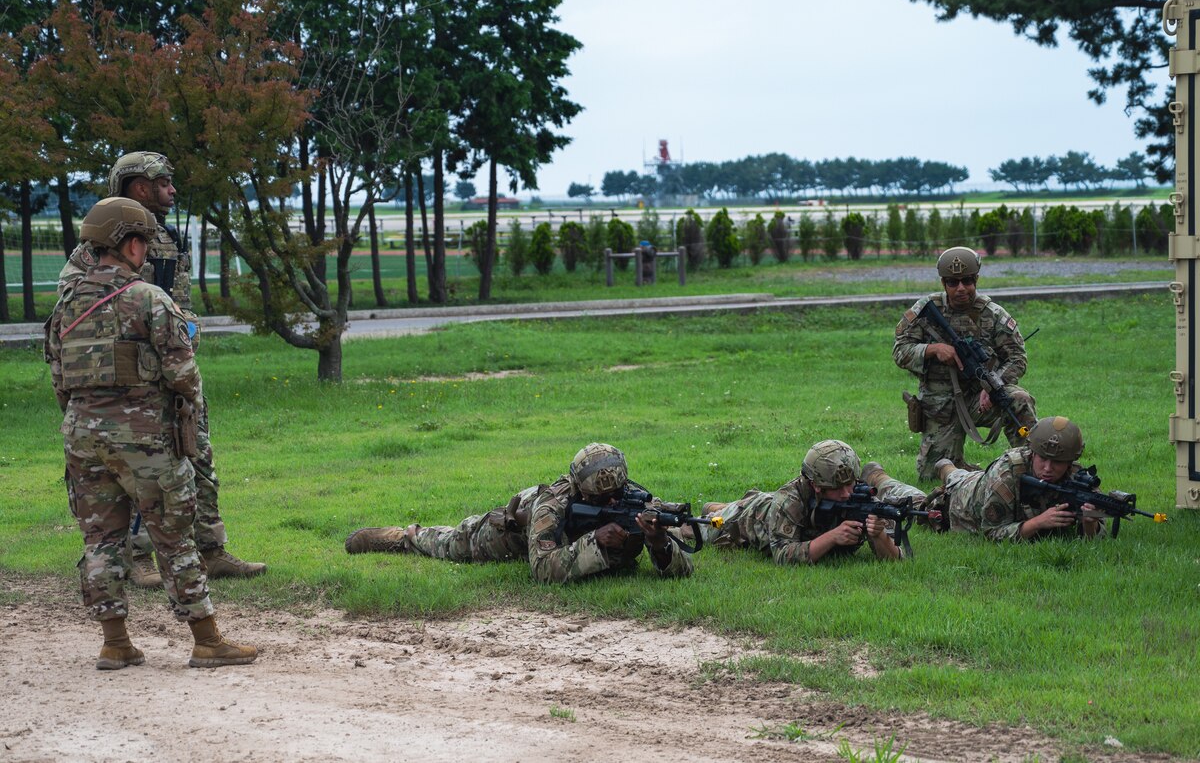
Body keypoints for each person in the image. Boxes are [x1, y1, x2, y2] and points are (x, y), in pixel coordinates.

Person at [44, 197, 256, 670]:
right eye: (142, 240)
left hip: (82, 439)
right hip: (146, 441)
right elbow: (184, 374)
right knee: (175, 540)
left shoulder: (66, 306)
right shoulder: (148, 298)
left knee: (100, 542)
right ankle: (206, 640)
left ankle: (115, 642)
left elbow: (60, 380)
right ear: (129, 243)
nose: (145, 249)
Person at [59, 152, 264, 585]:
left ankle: (212, 549)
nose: (173, 190)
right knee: (137, 469)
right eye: (165, 182)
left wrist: (189, 331)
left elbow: (180, 305)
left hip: (172, 370)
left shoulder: (167, 240)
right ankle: (135, 558)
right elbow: (73, 308)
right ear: (139, 188)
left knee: (200, 457)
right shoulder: (95, 247)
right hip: (127, 386)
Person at [344, 443, 693, 583]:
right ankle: (405, 537)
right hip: (509, 531)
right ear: (583, 491)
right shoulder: (552, 504)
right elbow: (541, 570)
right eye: (604, 499)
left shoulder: (634, 499)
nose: (615, 503)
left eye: (618, 494)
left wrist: (659, 540)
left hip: (558, 533)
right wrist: (595, 543)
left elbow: (682, 570)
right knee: (456, 543)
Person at [893, 246, 1037, 480]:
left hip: (979, 401)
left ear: (976, 279)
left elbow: (1017, 357)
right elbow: (900, 350)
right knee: (932, 477)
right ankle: (977, 475)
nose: (961, 288)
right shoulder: (926, 311)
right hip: (940, 408)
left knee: (1019, 400)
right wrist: (932, 349)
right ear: (943, 283)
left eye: (967, 281)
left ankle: (1030, 467)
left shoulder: (993, 315)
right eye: (953, 282)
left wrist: (992, 386)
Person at [699, 440, 924, 563]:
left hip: (774, 510)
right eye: (838, 488)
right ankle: (716, 510)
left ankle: (720, 505)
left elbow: (896, 560)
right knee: (705, 526)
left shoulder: (865, 501)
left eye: (851, 484)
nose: (848, 493)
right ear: (816, 485)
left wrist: (879, 535)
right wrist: (832, 537)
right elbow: (782, 556)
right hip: (749, 518)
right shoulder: (788, 500)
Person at [926, 416, 1106, 542]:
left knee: (966, 475)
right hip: (963, 500)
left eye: (1058, 462)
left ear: (1070, 461)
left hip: (981, 481)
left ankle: (950, 469)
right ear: (1032, 453)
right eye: (1043, 459)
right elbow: (991, 532)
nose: (1048, 468)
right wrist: (1038, 523)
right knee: (955, 481)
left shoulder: (1079, 479)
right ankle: (946, 468)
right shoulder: (1006, 476)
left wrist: (1090, 523)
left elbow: (1095, 538)